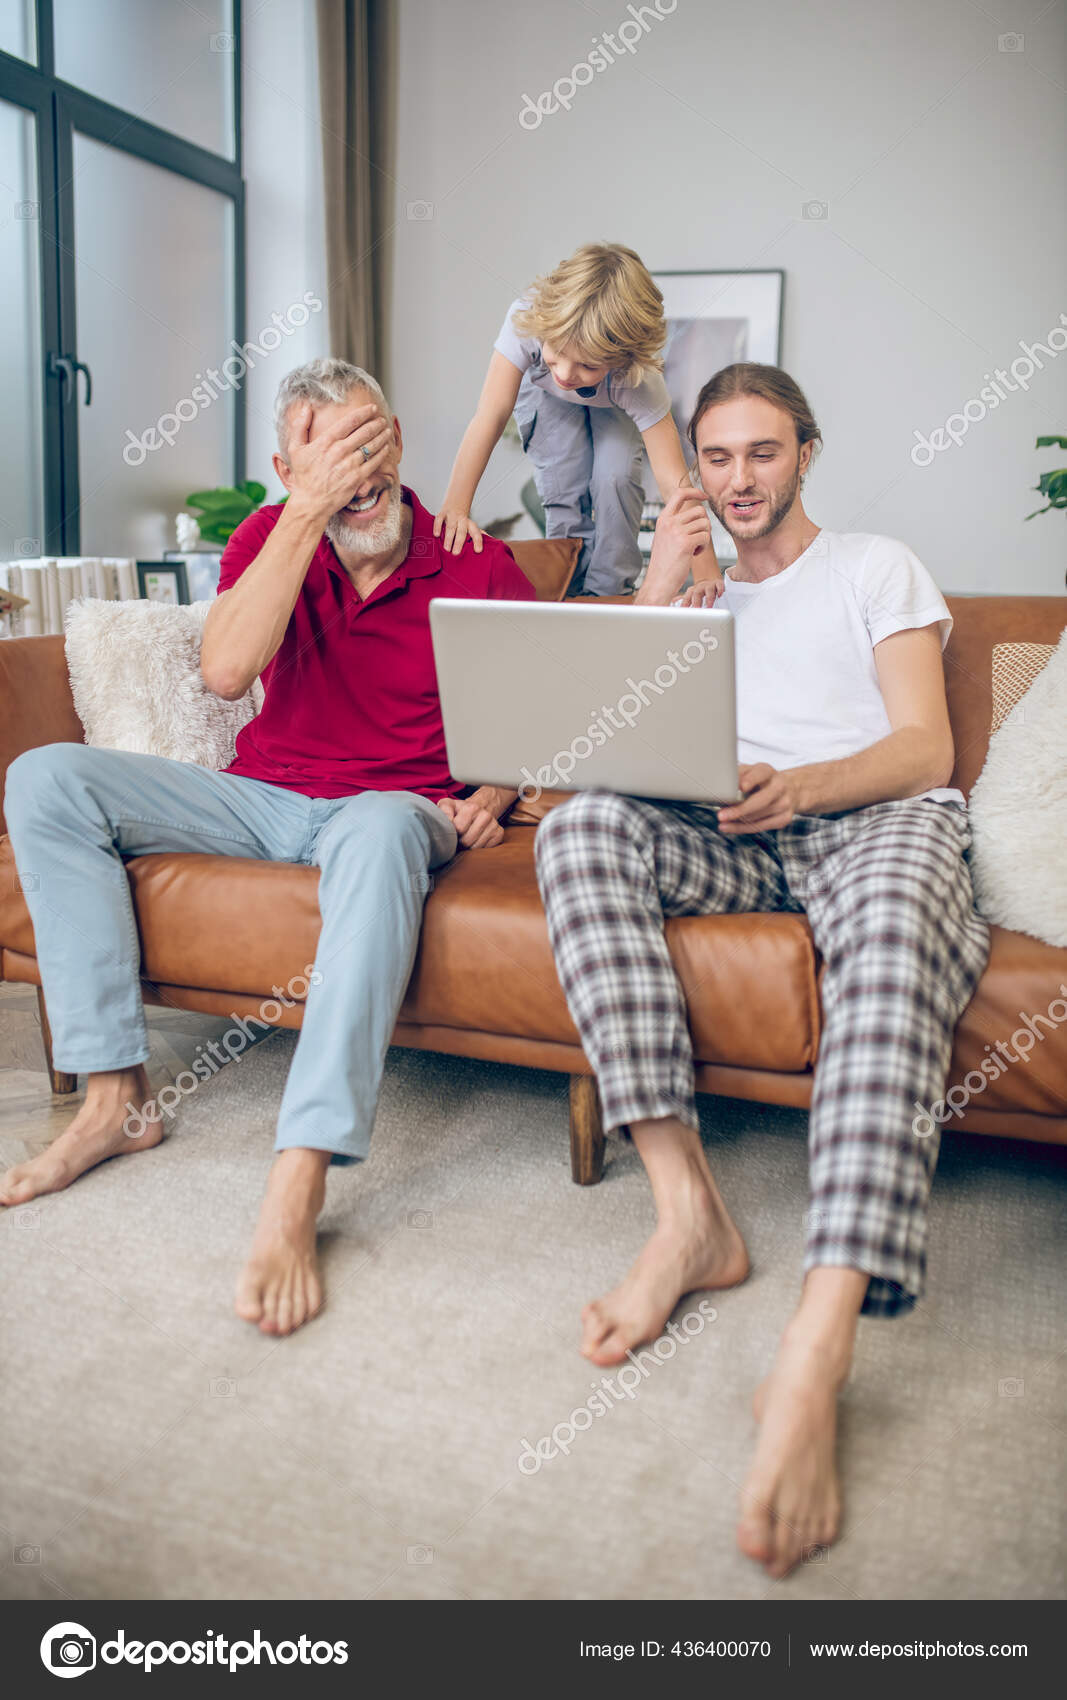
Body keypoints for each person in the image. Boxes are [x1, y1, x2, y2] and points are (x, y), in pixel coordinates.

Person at [533, 362, 991, 1578]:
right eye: (718, 457)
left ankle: (818, 1343)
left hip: (872, 818)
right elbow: (600, 743)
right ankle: (688, 1215)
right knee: (580, 822)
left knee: (889, 937)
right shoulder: (697, 591)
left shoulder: (874, 565)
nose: (739, 480)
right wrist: (664, 590)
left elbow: (923, 746)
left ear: (806, 453)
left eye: (763, 453)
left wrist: (803, 785)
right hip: (737, 835)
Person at [1, 358, 531, 1337]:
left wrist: (493, 787)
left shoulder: (472, 559)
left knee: (375, 826)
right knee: (45, 774)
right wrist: (304, 512)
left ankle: (300, 1171)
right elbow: (224, 668)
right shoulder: (269, 534)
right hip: (260, 797)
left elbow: (539, 715)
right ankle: (116, 1096)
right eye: (329, 453)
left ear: (400, 439)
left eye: (370, 442)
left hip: (393, 805)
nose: (358, 472)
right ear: (286, 466)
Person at [436, 242, 723, 597]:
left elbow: (675, 484)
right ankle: (568, 589)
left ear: (622, 358)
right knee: (564, 481)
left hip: (612, 399)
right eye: (556, 354)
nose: (566, 374)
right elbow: (490, 417)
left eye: (587, 364)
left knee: (614, 476)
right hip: (543, 400)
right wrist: (456, 506)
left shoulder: (637, 378)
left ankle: (609, 592)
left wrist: (706, 571)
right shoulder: (526, 321)